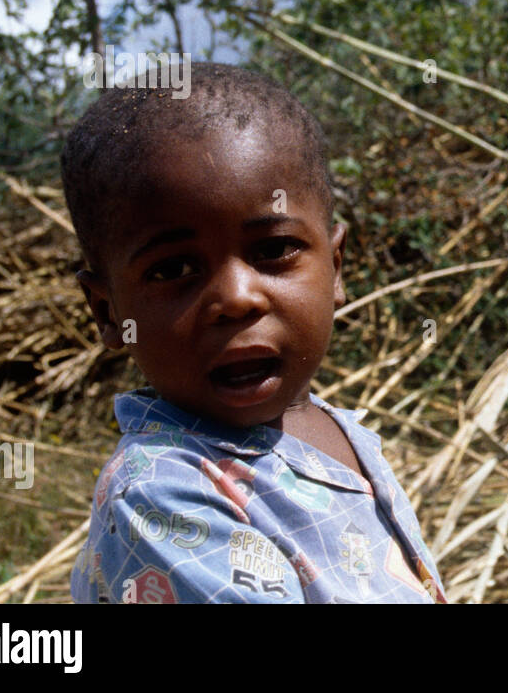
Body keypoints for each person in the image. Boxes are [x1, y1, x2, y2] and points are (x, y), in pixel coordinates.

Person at [64, 63, 444, 603]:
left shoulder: (335, 429)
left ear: (335, 268)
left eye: (273, 250)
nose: (237, 298)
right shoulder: (163, 497)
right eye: (172, 270)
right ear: (106, 312)